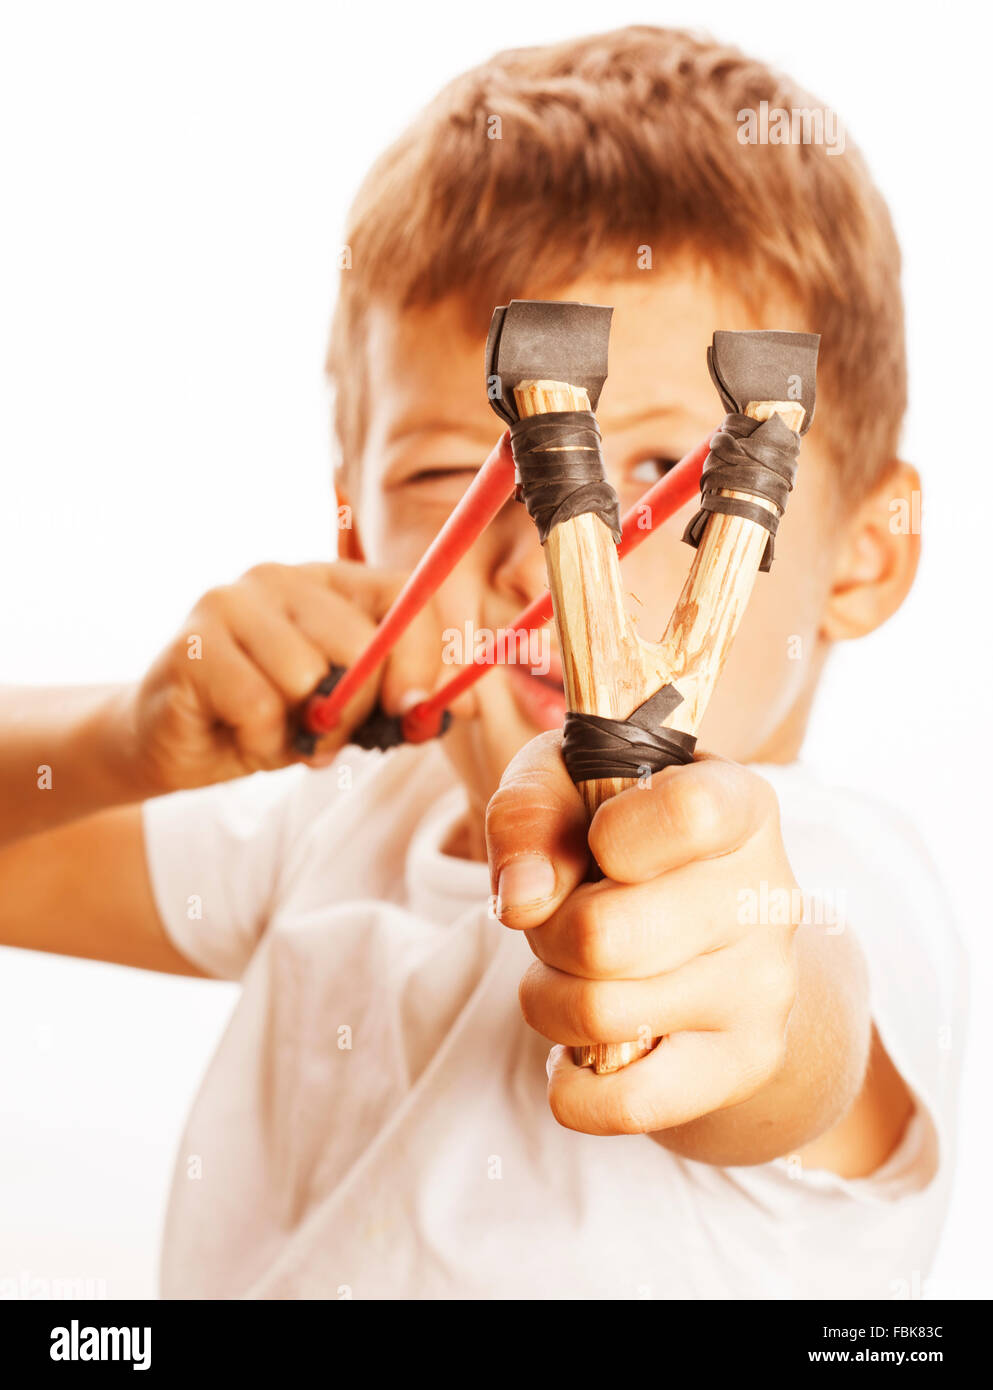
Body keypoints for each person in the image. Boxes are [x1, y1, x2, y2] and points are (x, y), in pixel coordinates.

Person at [0, 26, 965, 1298]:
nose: (538, 557)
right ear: (356, 534)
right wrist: (124, 741)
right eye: (452, 474)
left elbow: (798, 1021)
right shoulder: (340, 824)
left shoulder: (837, 868)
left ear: (862, 557)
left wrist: (740, 986)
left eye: (671, 467)